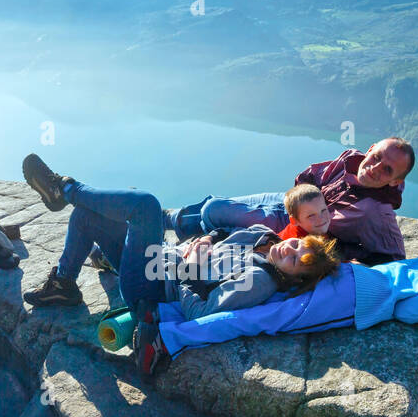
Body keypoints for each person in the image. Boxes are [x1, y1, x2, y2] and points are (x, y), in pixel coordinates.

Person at [19, 153, 342, 374]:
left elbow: (201, 313)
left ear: (294, 278)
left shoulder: (259, 281)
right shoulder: (262, 236)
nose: (292, 251)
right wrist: (206, 241)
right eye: (298, 245)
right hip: (158, 256)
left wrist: (191, 272)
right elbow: (221, 231)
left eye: (298, 262)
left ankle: (64, 187)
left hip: (153, 286)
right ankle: (63, 282)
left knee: (145, 206)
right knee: (88, 215)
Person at [153, 243, 418, 356]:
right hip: (350, 303)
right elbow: (407, 311)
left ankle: (165, 311)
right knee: (261, 320)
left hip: (351, 275)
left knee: (270, 303)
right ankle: (172, 336)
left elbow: (405, 266)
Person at [166, 137, 415, 266]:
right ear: (370, 148)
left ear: (394, 182)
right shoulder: (351, 158)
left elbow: (393, 258)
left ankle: (176, 225)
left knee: (214, 210)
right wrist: (302, 194)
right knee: (221, 203)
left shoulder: (377, 212)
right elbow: (309, 175)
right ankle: (170, 219)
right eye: (377, 156)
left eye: (387, 170)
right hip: (289, 200)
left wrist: (339, 253)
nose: (374, 168)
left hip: (297, 223)